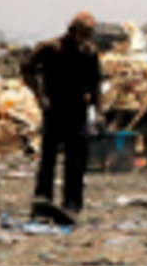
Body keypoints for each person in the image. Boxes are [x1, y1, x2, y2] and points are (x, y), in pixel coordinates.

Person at [22, 12, 104, 222]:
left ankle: (72, 204)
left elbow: (95, 85)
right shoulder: (51, 48)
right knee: (49, 156)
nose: (86, 37)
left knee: (76, 159)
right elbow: (26, 66)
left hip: (77, 108)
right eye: (84, 32)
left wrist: (99, 112)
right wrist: (39, 94)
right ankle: (43, 199)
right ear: (74, 29)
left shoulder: (89, 53)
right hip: (55, 106)